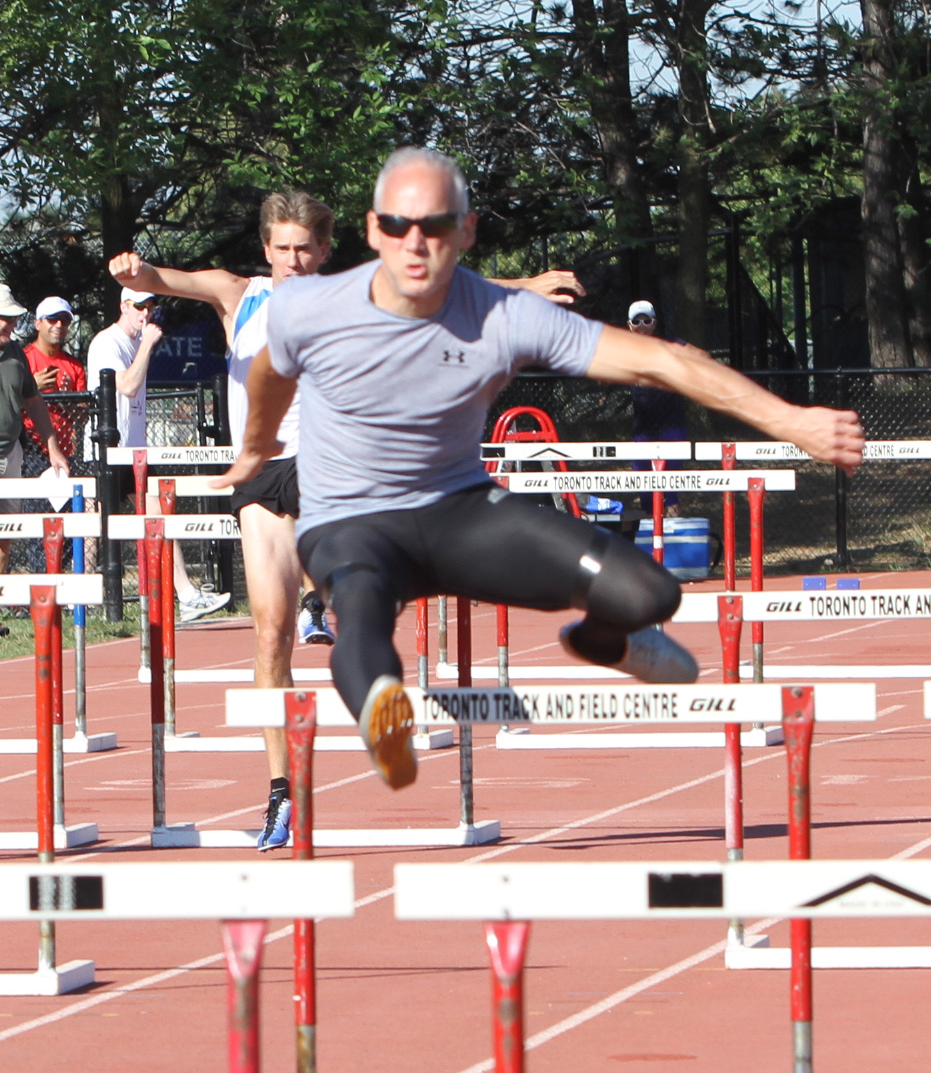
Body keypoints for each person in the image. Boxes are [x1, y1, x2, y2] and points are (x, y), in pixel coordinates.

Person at [218, 147, 865, 795]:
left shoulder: (504, 316)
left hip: (458, 511)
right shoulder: (315, 307)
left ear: (466, 232)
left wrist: (789, 421)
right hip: (353, 521)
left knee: (651, 595)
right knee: (358, 609)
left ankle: (604, 640)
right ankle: (385, 719)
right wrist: (257, 443)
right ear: (371, 230)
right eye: (397, 226)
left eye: (436, 226)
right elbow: (271, 370)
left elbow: (662, 363)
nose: (415, 244)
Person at [108, 192, 587, 850]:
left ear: (325, 250)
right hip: (260, 473)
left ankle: (338, 610)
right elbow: (162, 280)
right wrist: (135, 273)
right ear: (267, 248)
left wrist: (527, 286)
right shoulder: (236, 293)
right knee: (269, 633)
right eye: (283, 248)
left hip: (331, 465)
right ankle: (282, 791)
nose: (294, 261)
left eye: (306, 248)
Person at [86, 288, 231, 623]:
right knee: (96, 525)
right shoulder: (107, 343)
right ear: (123, 307)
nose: (146, 313)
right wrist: (149, 345)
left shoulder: (138, 343)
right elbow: (127, 386)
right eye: (139, 307)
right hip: (106, 449)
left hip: (134, 450)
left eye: (151, 306)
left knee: (158, 514)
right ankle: (84, 594)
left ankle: (185, 594)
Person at [0, 284, 70, 580]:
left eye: (14, 317)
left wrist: (53, 447)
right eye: (6, 317)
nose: (13, 323)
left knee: (7, 531)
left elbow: (33, 401)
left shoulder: (16, 351)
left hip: (10, 452)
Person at [22, 296, 89, 571]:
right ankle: (39, 585)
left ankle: (59, 581)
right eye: (52, 319)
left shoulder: (73, 366)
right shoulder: (24, 360)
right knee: (37, 520)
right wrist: (32, 385)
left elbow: (84, 414)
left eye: (64, 320)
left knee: (65, 520)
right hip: (31, 449)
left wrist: (65, 399)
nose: (59, 325)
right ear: (38, 323)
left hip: (63, 454)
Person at [627, 299, 687, 521]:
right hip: (643, 430)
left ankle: (673, 538)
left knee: (669, 488)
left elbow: (700, 358)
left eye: (646, 320)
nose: (642, 326)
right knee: (644, 484)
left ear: (654, 323)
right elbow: (601, 377)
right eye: (637, 321)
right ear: (629, 325)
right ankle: (651, 538)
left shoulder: (671, 347)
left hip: (671, 429)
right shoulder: (622, 351)